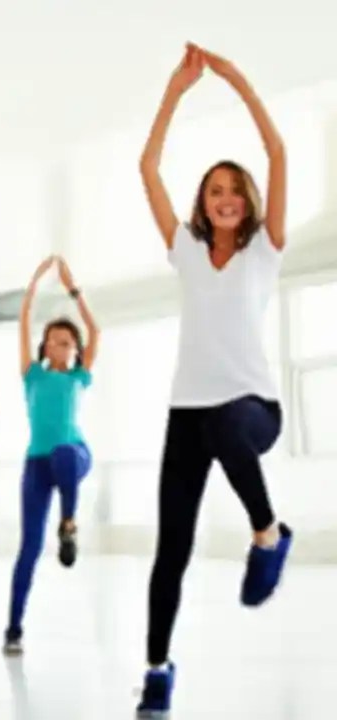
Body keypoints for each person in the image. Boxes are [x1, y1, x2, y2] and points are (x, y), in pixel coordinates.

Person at [134, 44, 290, 719]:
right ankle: (156, 670)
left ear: (248, 201)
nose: (225, 198)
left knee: (226, 422)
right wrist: (176, 90)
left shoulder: (266, 249)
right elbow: (147, 167)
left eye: (234, 189)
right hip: (187, 415)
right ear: (203, 202)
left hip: (253, 410)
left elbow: (277, 151)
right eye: (214, 190)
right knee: (171, 548)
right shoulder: (186, 250)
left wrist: (233, 79)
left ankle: (268, 533)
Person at [3, 256, 99, 656]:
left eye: (68, 342)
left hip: (74, 455)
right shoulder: (33, 375)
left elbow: (95, 330)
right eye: (56, 340)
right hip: (37, 464)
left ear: (75, 350)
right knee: (29, 548)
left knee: (64, 452)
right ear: (45, 346)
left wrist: (73, 289)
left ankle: (69, 524)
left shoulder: (79, 376)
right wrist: (36, 282)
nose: (63, 345)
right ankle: (13, 628)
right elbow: (24, 320)